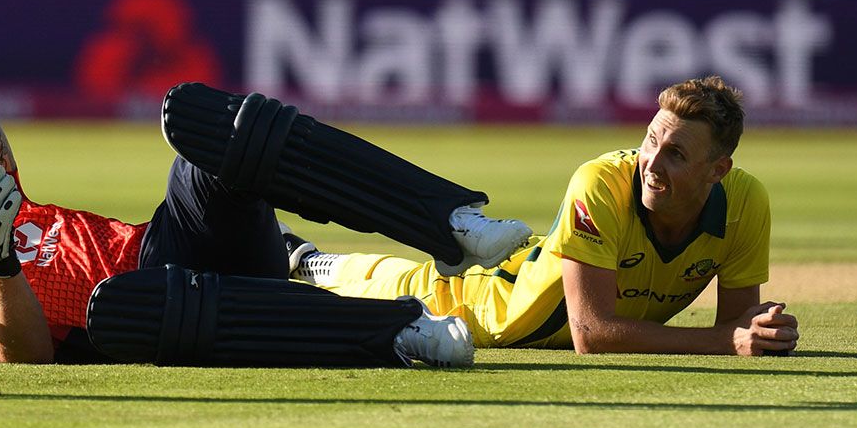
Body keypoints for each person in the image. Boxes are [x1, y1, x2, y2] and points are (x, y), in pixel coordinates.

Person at [0, 75, 533, 367]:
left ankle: (448, 220)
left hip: (175, 243)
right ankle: (398, 332)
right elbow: (21, 353)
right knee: (122, 310)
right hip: (147, 316)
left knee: (206, 125)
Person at [280, 76, 801, 356]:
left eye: (677, 155)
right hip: (478, 304)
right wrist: (725, 341)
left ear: (719, 170)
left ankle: (297, 255)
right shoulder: (600, 183)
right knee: (358, 286)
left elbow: (735, 327)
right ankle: (299, 256)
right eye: (650, 139)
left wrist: (761, 332)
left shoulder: (745, 202)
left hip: (528, 279)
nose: (652, 164)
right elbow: (591, 335)